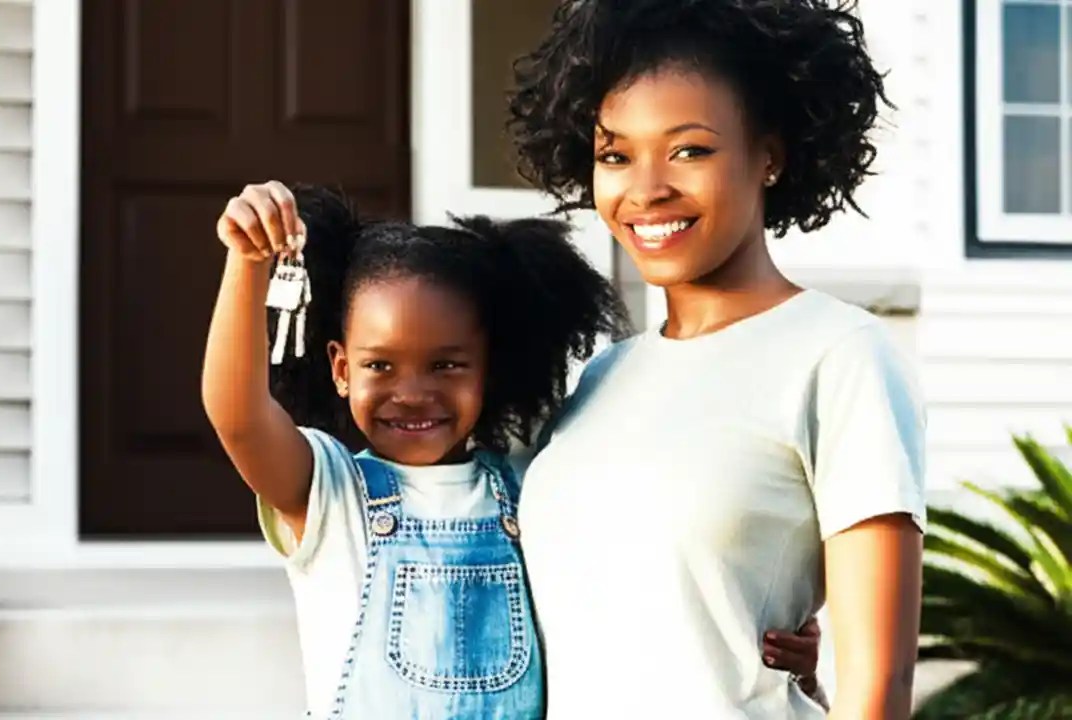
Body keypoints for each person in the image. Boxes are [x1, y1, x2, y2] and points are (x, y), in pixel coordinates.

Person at [200, 182, 826, 718]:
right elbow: (238, 419)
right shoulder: (329, 495)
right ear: (340, 368)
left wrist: (772, 645)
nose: (412, 394)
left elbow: (649, 572)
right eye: (380, 366)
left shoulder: (534, 489)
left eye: (446, 365)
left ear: (489, 368)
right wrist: (246, 263)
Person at [508, 0, 925, 717]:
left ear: (770, 155)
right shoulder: (601, 378)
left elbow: (876, 685)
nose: (646, 189)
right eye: (616, 154)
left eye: (689, 149)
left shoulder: (840, 354)